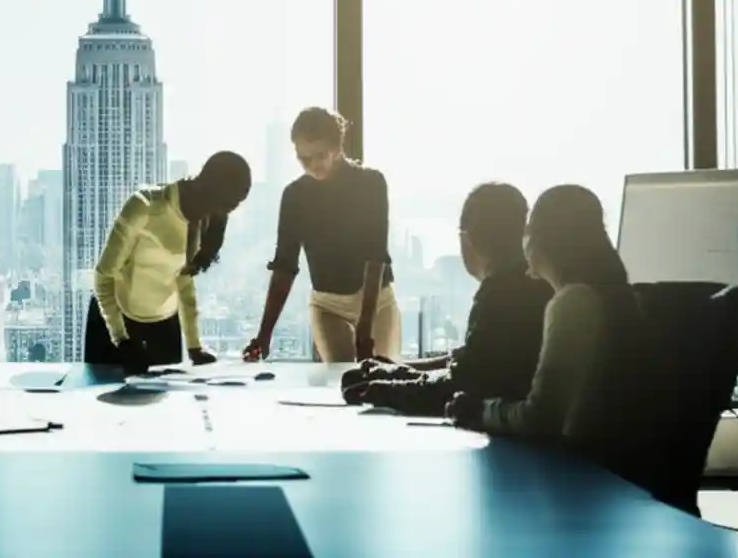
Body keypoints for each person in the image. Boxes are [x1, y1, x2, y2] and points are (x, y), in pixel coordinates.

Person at [445, 184, 642, 443]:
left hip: (580, 461)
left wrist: (478, 411)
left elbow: (540, 419)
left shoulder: (574, 302)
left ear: (542, 241)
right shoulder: (607, 296)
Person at [342, 183, 553, 413]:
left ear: (466, 239)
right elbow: (476, 363)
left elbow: (461, 387)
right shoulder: (533, 285)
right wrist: (399, 370)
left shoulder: (499, 294)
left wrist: (381, 390)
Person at [244, 107, 400, 363]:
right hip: (328, 306)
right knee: (340, 377)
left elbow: (375, 255)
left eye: (320, 155)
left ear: (336, 147)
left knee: (383, 375)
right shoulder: (294, 196)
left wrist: (365, 324)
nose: (313, 165)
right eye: (303, 158)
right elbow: (284, 267)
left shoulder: (371, 183)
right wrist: (264, 335)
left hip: (377, 302)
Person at [85, 151, 252, 375]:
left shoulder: (205, 221)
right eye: (225, 204)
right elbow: (104, 274)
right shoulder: (144, 206)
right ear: (209, 189)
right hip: (113, 321)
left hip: (164, 327)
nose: (224, 213)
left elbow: (183, 279)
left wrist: (194, 347)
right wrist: (121, 339)